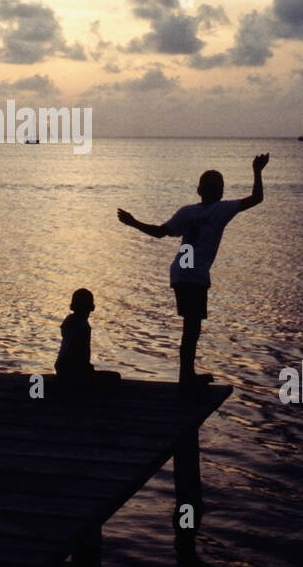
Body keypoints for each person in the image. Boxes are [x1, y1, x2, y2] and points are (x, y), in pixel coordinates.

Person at [118, 154, 269, 393]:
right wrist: (257, 170)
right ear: (219, 191)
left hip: (180, 272)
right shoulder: (222, 209)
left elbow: (159, 232)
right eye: (220, 187)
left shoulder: (187, 212)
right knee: (192, 329)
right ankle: (186, 377)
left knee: (191, 328)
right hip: (194, 276)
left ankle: (187, 375)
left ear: (199, 190)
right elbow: (257, 198)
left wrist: (133, 222)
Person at [56, 288, 121, 393]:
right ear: (91, 308)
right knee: (115, 378)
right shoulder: (83, 327)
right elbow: (80, 358)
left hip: (62, 371)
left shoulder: (69, 320)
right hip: (74, 376)